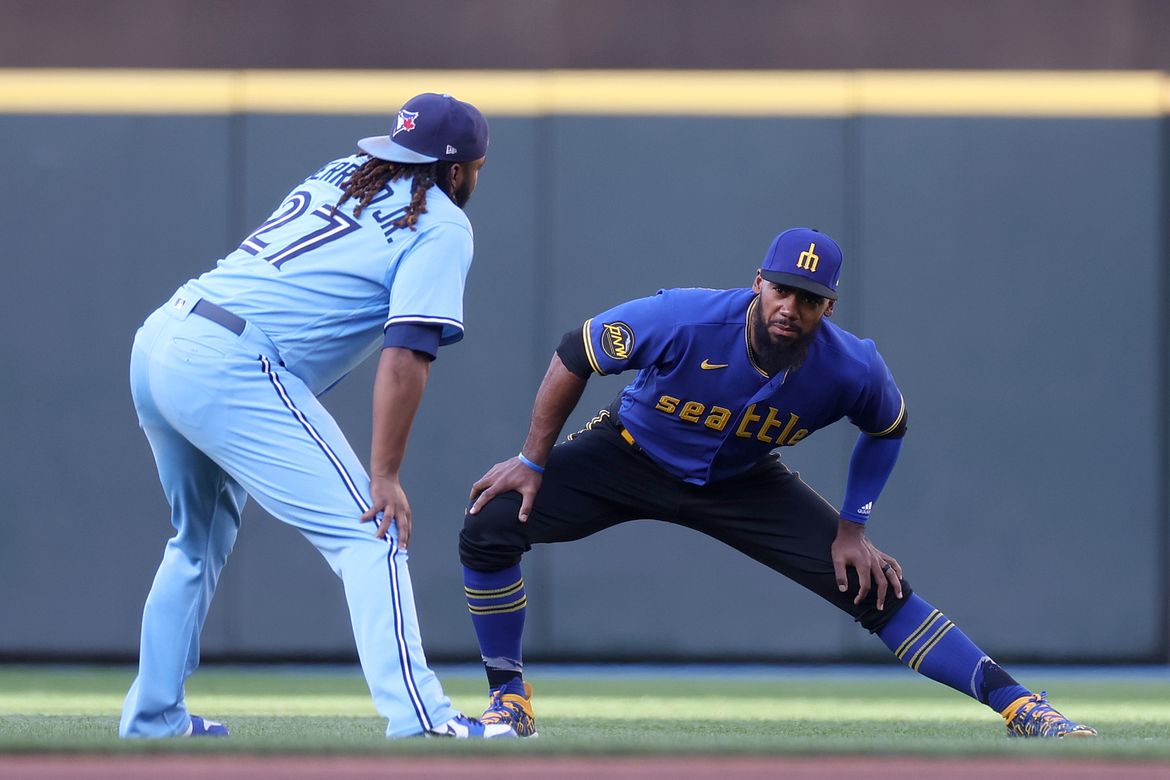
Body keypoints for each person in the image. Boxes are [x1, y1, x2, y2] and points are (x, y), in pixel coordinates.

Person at [458, 227, 1096, 740]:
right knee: (490, 525)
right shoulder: (685, 319)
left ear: (829, 306)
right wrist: (533, 461)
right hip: (630, 452)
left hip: (743, 478)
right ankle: (509, 699)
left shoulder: (851, 367)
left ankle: (1019, 705)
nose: (790, 307)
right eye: (782, 290)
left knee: (874, 584)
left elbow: (888, 427)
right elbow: (578, 350)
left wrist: (854, 527)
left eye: (809, 297)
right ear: (758, 284)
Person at [121, 92, 516, 739]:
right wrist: (384, 475)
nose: (474, 177)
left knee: (195, 544)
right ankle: (423, 721)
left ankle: (154, 718)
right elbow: (406, 356)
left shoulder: (341, 173)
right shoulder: (442, 223)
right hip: (229, 361)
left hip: (165, 336)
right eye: (475, 166)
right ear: (453, 171)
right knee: (373, 531)